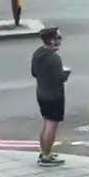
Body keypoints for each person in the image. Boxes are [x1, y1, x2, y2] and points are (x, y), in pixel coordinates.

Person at [31, 26, 70, 167]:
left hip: (41, 93)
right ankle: (46, 157)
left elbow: (34, 72)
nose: (61, 40)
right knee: (51, 125)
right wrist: (65, 74)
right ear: (52, 40)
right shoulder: (54, 59)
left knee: (46, 122)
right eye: (59, 38)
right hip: (54, 96)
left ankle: (44, 152)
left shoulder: (38, 53)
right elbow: (59, 78)